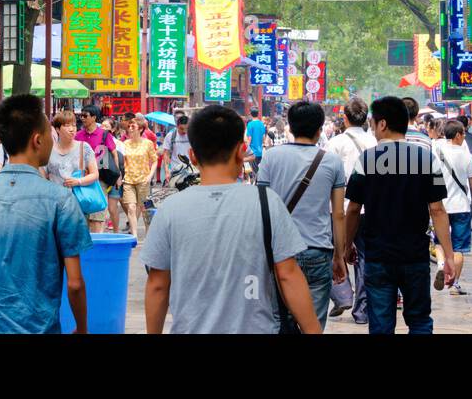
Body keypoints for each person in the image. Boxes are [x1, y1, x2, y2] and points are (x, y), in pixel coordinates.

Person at [141, 105, 321, 334]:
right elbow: (288, 275)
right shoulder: (267, 202)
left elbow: (157, 285)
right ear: (241, 151)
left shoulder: (170, 210)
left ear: (193, 156)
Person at [0, 94, 93, 333]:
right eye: (50, 135)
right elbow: (75, 284)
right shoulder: (60, 201)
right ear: (37, 140)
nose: (53, 141)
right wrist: (82, 328)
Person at [343, 96, 455, 335]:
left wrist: (346, 246)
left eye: (373, 124)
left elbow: (353, 209)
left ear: (383, 124)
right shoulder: (427, 159)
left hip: (378, 255)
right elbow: (437, 210)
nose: (372, 129)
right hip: (414, 255)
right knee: (419, 320)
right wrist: (450, 256)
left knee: (381, 324)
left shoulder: (367, 160)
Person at [258, 102, 347, 329]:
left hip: (279, 251)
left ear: (290, 126)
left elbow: (261, 206)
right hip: (317, 250)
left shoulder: (271, 158)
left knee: (280, 321)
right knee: (313, 324)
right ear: (319, 130)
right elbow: (338, 214)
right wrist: (339, 256)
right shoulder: (332, 162)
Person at [327, 97, 376, 323]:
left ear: (345, 118)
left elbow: (327, 176)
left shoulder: (335, 143)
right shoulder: (375, 142)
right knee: (364, 257)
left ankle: (342, 294)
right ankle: (362, 309)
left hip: (340, 208)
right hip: (369, 208)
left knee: (335, 251)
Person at [433, 121, 472, 295]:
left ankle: (441, 265)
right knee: (459, 248)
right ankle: (455, 285)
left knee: (439, 242)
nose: (464, 137)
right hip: (461, 207)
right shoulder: (467, 156)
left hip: (440, 207)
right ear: (457, 135)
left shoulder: (436, 153)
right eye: (463, 133)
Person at [45, 111, 105, 233]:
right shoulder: (48, 150)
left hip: (77, 202)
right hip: (54, 203)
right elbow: (43, 177)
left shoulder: (84, 147)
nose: (72, 129)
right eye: (67, 126)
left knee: (76, 237)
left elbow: (95, 174)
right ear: (57, 129)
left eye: (74, 125)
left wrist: (78, 181)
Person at [77, 105, 120, 232]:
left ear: (94, 117)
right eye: (81, 116)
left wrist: (118, 176)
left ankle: (97, 245)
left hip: (100, 180)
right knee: (82, 216)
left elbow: (114, 154)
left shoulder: (104, 134)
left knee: (97, 217)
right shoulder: (78, 135)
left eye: (85, 116)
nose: (82, 118)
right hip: (81, 179)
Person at [120, 117, 159, 239]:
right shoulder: (124, 144)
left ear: (141, 129)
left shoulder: (147, 144)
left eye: (133, 126)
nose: (130, 129)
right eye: (129, 126)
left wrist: (150, 176)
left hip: (143, 180)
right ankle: (134, 235)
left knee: (144, 209)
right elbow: (120, 162)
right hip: (128, 180)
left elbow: (154, 161)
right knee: (131, 207)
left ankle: (148, 234)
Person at [245, 108, 267, 174]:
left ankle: (254, 183)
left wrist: (246, 150)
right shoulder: (261, 124)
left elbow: (249, 138)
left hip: (252, 152)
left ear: (251, 115)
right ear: (258, 114)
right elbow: (263, 137)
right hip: (260, 152)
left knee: (253, 172)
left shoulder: (250, 124)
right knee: (257, 170)